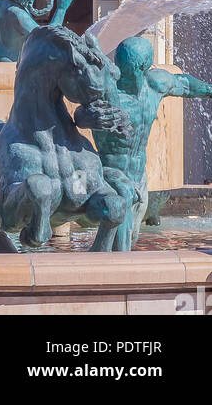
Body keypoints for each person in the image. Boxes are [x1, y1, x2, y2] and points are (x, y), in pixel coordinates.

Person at [75, 35, 212, 249]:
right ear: (143, 65)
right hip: (110, 175)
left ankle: (103, 266)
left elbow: (184, 83)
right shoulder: (107, 91)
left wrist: (210, 91)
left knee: (131, 237)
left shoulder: (156, 84)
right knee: (122, 234)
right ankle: (117, 275)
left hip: (140, 178)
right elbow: (80, 115)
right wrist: (90, 118)